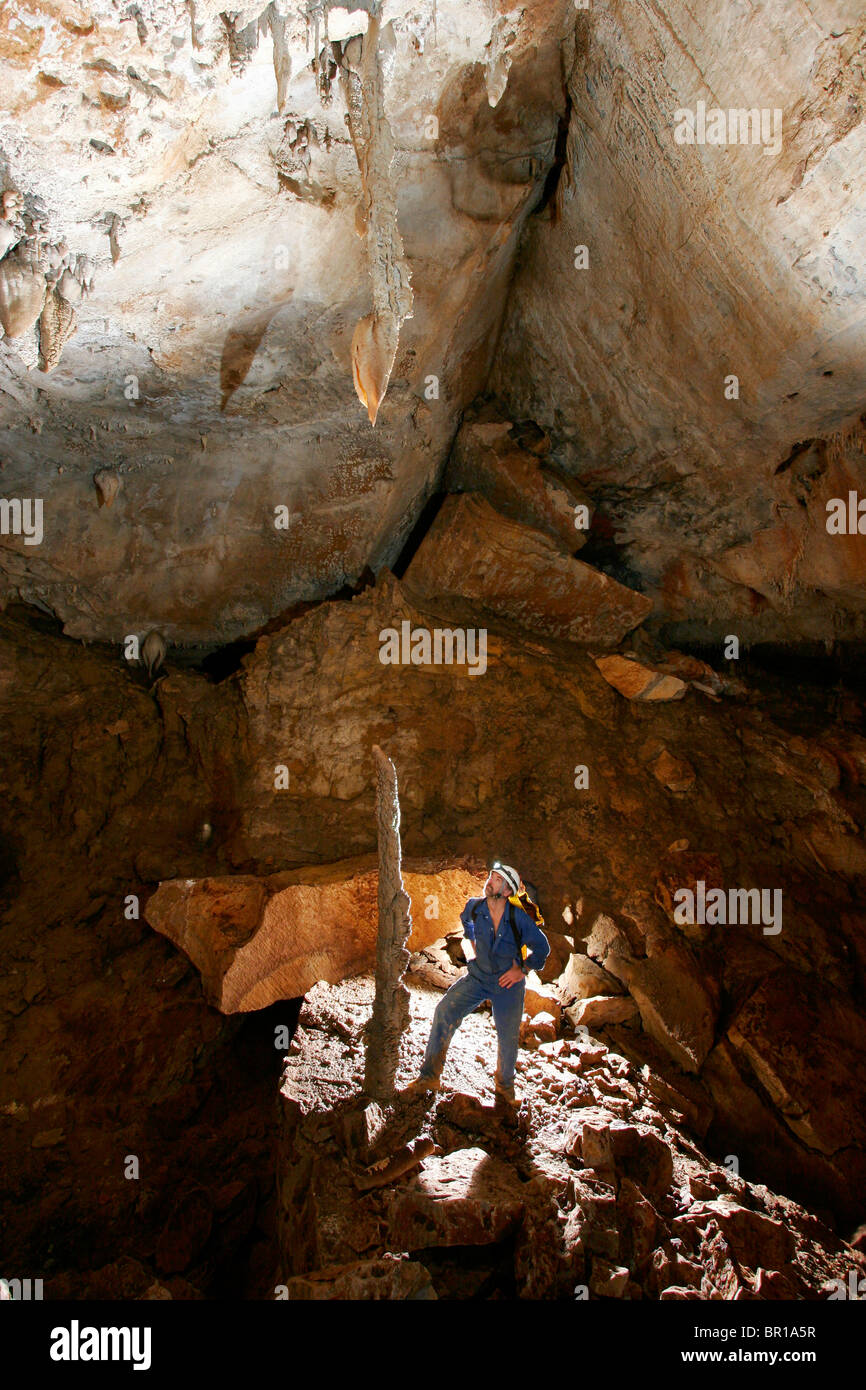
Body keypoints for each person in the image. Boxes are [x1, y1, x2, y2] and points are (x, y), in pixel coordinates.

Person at [406, 862, 550, 1106]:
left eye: (497, 879)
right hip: (478, 977)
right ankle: (429, 1077)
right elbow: (467, 926)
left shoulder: (518, 919)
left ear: (507, 891)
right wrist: (471, 951)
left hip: (508, 985)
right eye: (491, 876)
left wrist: (522, 969)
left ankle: (505, 1091)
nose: (490, 880)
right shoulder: (474, 907)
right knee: (444, 1011)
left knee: (507, 1036)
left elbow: (542, 949)